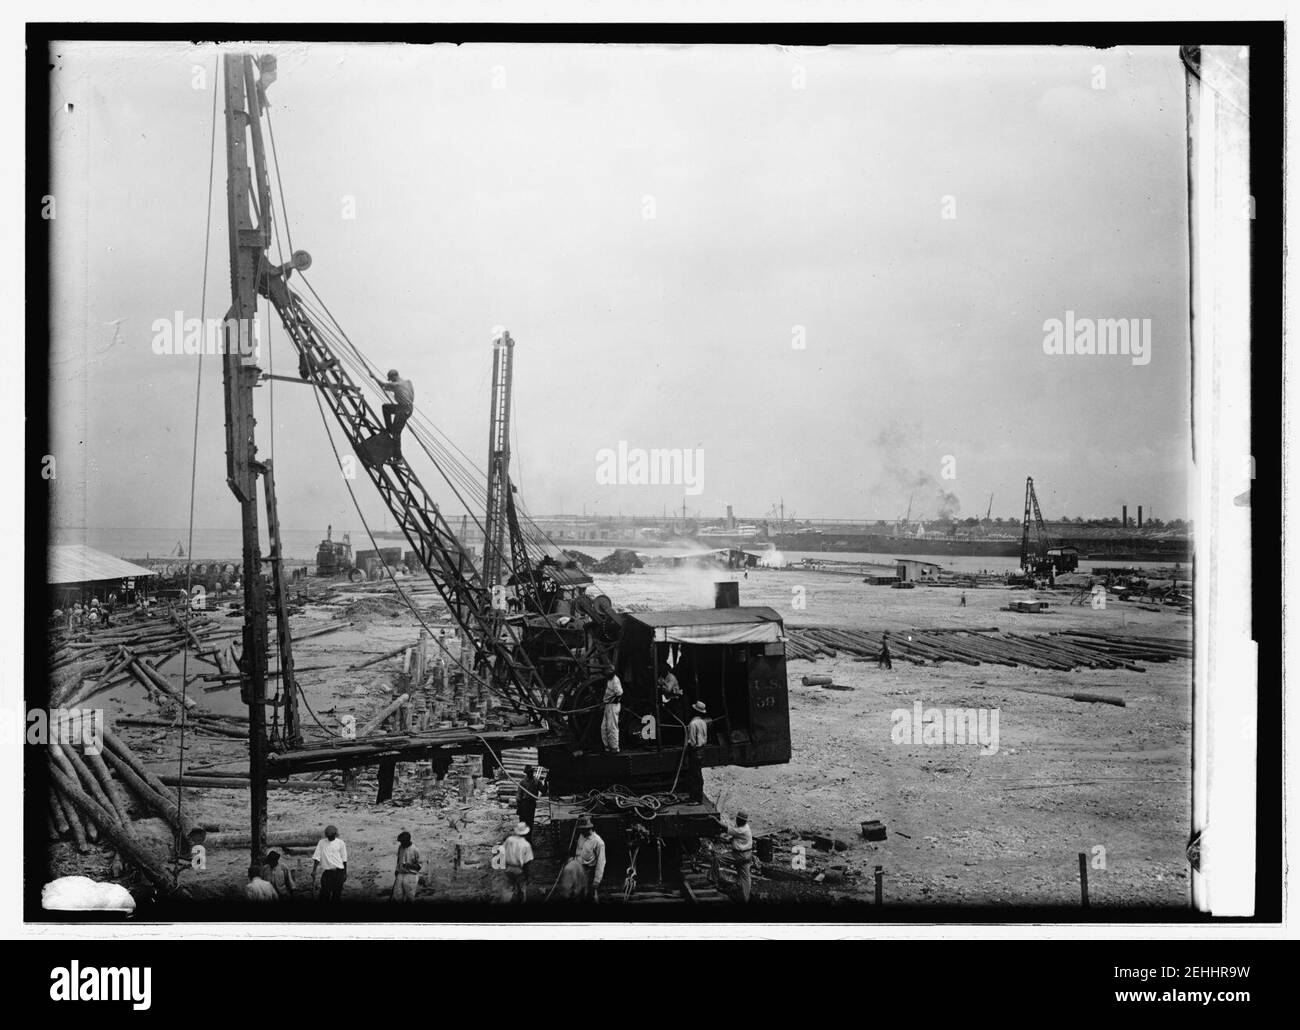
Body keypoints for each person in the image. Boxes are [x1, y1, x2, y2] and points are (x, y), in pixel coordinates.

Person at [374, 368, 415, 457]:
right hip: (406, 407)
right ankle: (389, 429)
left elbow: (383, 385)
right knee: (386, 408)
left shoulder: (396, 384)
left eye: (391, 379)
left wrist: (374, 377)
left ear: (393, 376)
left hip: (403, 409)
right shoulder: (408, 382)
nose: (391, 380)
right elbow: (412, 396)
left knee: (396, 433)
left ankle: (398, 457)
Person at [723, 809, 755, 902]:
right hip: (746, 854)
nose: (736, 820)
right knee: (744, 876)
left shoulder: (742, 829)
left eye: (738, 819)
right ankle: (744, 897)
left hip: (740, 855)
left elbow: (728, 829)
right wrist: (732, 840)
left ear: (742, 820)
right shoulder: (744, 826)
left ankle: (712, 879)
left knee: (718, 859)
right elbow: (736, 835)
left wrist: (715, 821)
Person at [573, 815, 606, 901]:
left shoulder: (598, 842)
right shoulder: (582, 836)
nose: (580, 831)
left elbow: (601, 862)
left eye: (582, 829)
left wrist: (597, 880)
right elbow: (578, 851)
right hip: (579, 869)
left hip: (589, 871)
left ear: (588, 829)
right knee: (578, 894)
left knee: (589, 895)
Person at [312, 824, 348, 902]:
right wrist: (314, 870)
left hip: (339, 873)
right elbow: (317, 857)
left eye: (331, 836)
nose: (329, 837)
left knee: (336, 895)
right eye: (328, 836)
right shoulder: (321, 843)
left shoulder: (341, 843)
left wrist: (345, 873)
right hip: (327, 873)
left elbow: (344, 859)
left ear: (335, 834)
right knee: (324, 895)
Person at [501, 821, 534, 904]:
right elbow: (527, 861)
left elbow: (502, 851)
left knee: (508, 889)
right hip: (519, 869)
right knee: (522, 889)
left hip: (508, 867)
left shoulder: (509, 840)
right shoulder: (526, 844)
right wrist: (527, 875)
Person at [685, 701, 709, 803]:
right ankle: (696, 797)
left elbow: (692, 741)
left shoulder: (692, 724)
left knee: (694, 776)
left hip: (695, 751)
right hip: (702, 750)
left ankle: (696, 799)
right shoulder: (703, 722)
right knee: (698, 775)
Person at [391, 830, 422, 902]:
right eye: (400, 842)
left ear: (407, 841)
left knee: (410, 896)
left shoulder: (415, 849)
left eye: (402, 842)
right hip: (401, 874)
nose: (401, 844)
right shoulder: (400, 847)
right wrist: (396, 870)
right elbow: (399, 860)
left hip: (411, 875)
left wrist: (410, 865)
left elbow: (419, 866)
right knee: (397, 895)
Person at [600, 666, 623, 753]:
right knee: (604, 727)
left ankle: (614, 748)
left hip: (613, 706)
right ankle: (607, 746)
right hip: (608, 705)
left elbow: (619, 694)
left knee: (612, 727)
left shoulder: (615, 680)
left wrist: (611, 701)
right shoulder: (609, 679)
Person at [516, 765, 544, 834]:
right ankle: (522, 839)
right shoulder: (522, 782)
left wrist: (546, 783)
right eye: (529, 772)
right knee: (523, 822)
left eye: (531, 771)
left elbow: (544, 791)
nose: (531, 773)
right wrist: (519, 808)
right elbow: (519, 796)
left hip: (531, 804)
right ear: (526, 773)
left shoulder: (537, 782)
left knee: (530, 822)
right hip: (523, 804)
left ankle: (529, 839)